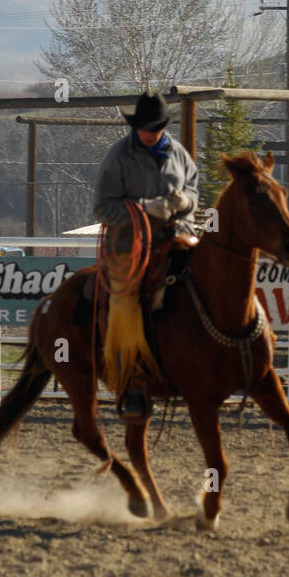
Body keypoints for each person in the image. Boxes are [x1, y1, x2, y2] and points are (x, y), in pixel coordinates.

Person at [92, 90, 198, 414]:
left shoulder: (179, 154)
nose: (150, 134)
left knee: (206, 282)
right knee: (126, 300)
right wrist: (143, 209)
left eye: (156, 128)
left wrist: (186, 202)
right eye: (145, 128)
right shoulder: (118, 156)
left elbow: (193, 188)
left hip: (177, 237)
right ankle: (133, 379)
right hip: (130, 246)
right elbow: (102, 208)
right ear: (135, 127)